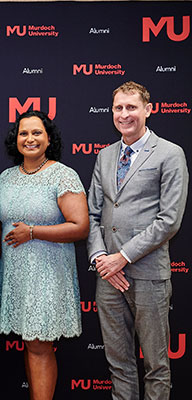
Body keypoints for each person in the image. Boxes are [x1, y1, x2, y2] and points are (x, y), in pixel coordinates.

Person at [87, 81, 188, 400]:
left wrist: (122, 257)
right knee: (119, 365)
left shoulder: (170, 153)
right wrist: (101, 259)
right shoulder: (105, 156)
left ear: (148, 110)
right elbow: (93, 213)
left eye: (131, 107)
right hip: (108, 278)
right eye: (118, 107)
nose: (124, 114)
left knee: (156, 366)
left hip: (148, 276)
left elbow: (169, 220)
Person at [0, 110, 89, 400]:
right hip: (16, 273)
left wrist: (33, 232)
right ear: (16, 139)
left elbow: (80, 226)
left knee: (38, 345)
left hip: (47, 274)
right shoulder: (6, 177)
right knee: (31, 343)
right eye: (24, 133)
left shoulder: (62, 175)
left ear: (49, 139)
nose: (30, 138)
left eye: (37, 133)